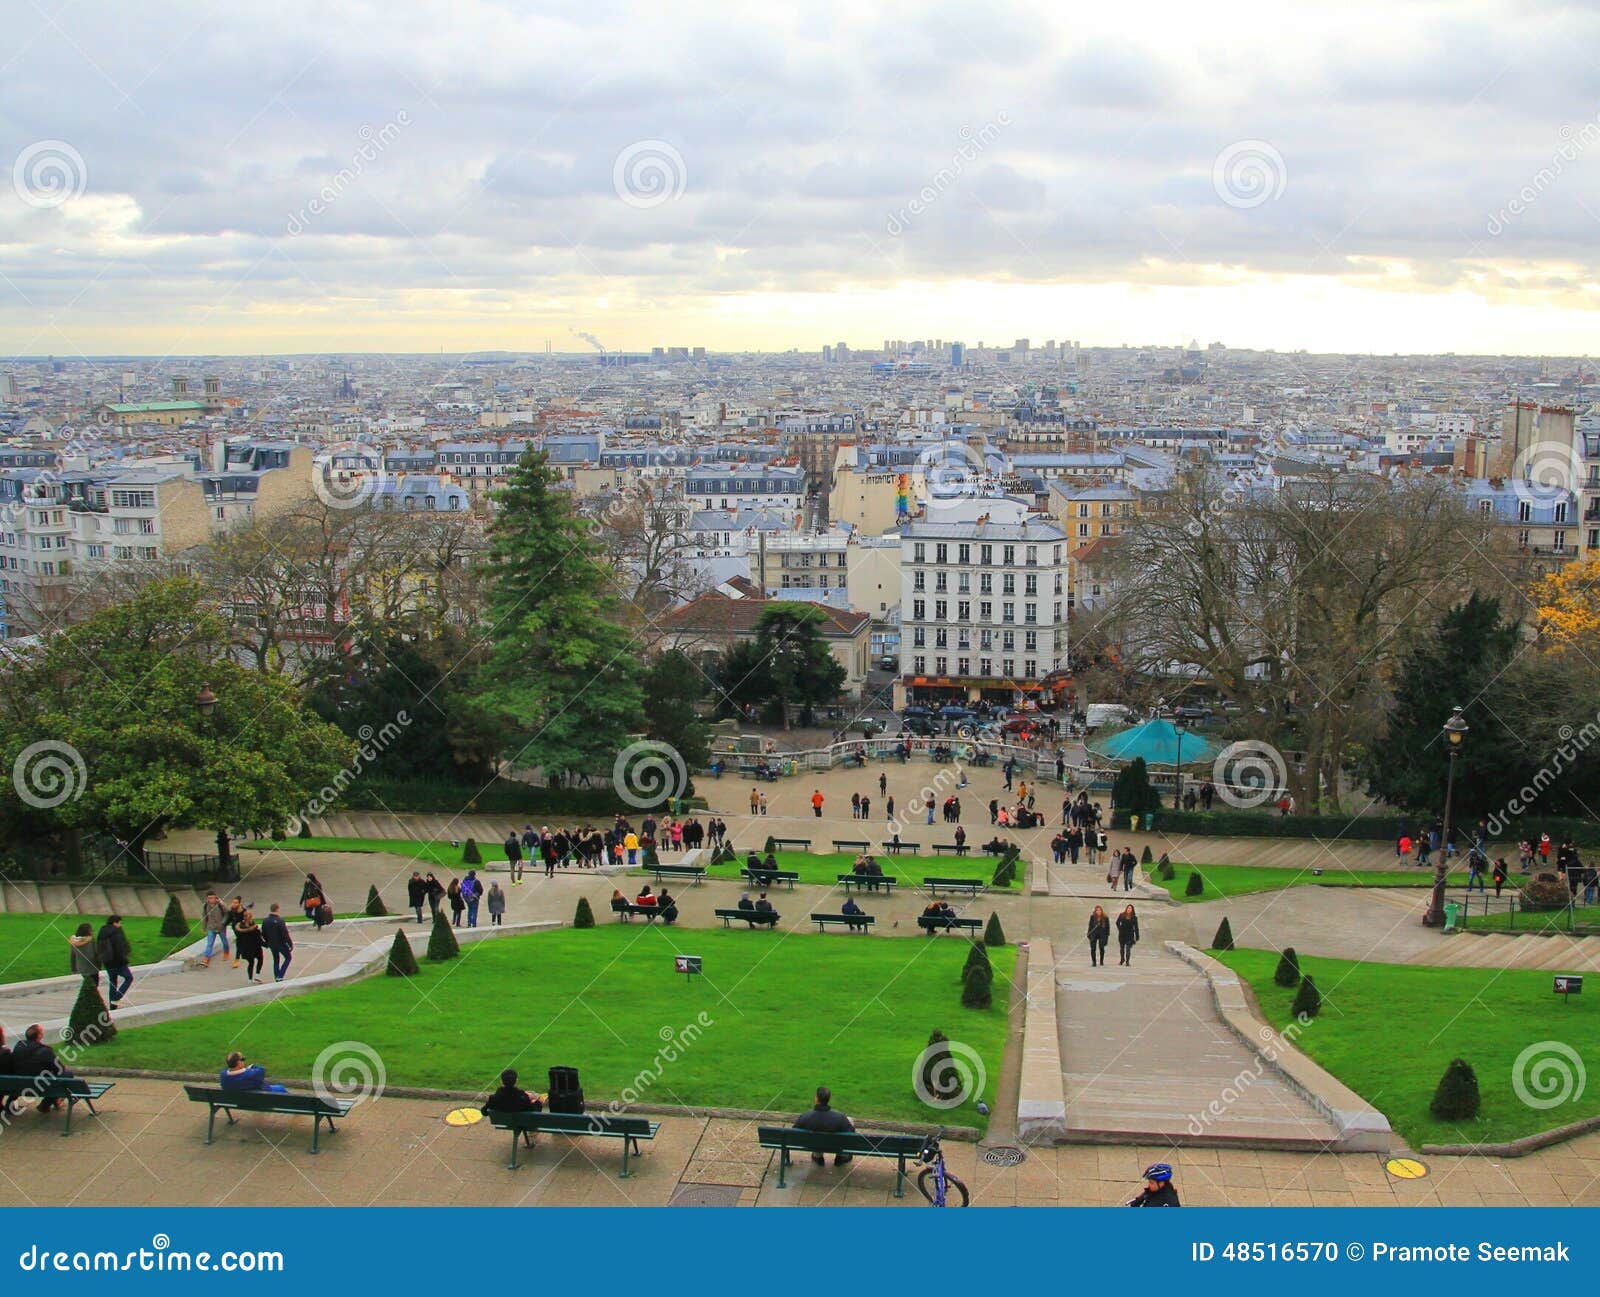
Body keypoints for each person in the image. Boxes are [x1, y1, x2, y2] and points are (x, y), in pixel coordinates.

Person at [12, 1024, 71, 1111]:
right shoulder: (45, 1050)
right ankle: (45, 1105)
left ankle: (9, 1105)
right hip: (39, 1086)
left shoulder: (18, 1046)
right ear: (39, 1035)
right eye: (42, 1032)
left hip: (18, 1085)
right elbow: (59, 1069)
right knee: (67, 1075)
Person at [793, 1085, 854, 1165]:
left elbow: (794, 1132)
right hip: (834, 1145)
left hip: (813, 1145)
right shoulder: (840, 1117)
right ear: (829, 1099)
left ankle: (817, 1156)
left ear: (816, 1099)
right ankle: (841, 1156)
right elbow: (851, 1134)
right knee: (849, 1120)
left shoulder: (805, 1116)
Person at [96, 915, 133, 1008]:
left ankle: (113, 1005)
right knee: (129, 978)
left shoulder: (102, 932)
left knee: (113, 982)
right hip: (118, 961)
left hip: (107, 961)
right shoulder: (116, 932)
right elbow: (119, 948)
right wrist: (124, 960)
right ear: (115, 922)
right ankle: (116, 998)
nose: (120, 925)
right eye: (119, 922)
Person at [220, 1051, 288, 1094]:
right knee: (280, 1088)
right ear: (238, 1062)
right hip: (260, 1101)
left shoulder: (223, 1076)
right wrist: (252, 1066)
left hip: (240, 1102)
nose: (244, 1060)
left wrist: (245, 1069)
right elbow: (262, 1070)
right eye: (242, 1059)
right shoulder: (251, 1074)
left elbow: (233, 1073)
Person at [261, 904, 294, 982]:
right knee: (288, 958)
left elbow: (263, 933)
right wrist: (290, 944)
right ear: (277, 909)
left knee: (276, 959)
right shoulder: (280, 921)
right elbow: (285, 934)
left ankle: (277, 976)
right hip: (280, 943)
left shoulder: (265, 920)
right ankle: (280, 975)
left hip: (272, 944)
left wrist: (267, 942)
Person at [200, 891, 231, 966]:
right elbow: (204, 917)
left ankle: (226, 952)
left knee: (224, 941)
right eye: (208, 898)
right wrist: (203, 927)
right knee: (210, 943)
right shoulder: (205, 906)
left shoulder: (220, 905)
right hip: (211, 927)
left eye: (211, 898)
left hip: (221, 927)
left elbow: (228, 912)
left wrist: (223, 923)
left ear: (215, 898)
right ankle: (206, 958)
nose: (210, 900)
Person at [235, 911, 265, 982]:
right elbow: (259, 939)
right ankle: (257, 975)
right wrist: (266, 944)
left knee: (251, 963)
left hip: (246, 949)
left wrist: (238, 952)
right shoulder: (254, 927)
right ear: (251, 917)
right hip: (256, 948)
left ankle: (250, 978)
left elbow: (239, 940)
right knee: (260, 959)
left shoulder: (240, 927)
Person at [225, 896, 248, 967]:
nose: (234, 904)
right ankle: (237, 959)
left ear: (239, 903)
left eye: (236, 903)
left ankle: (238, 958)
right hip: (236, 929)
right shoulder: (231, 910)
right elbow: (228, 919)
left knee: (241, 942)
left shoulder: (244, 911)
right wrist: (223, 925)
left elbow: (247, 920)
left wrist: (243, 923)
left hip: (243, 929)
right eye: (233, 902)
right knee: (239, 942)